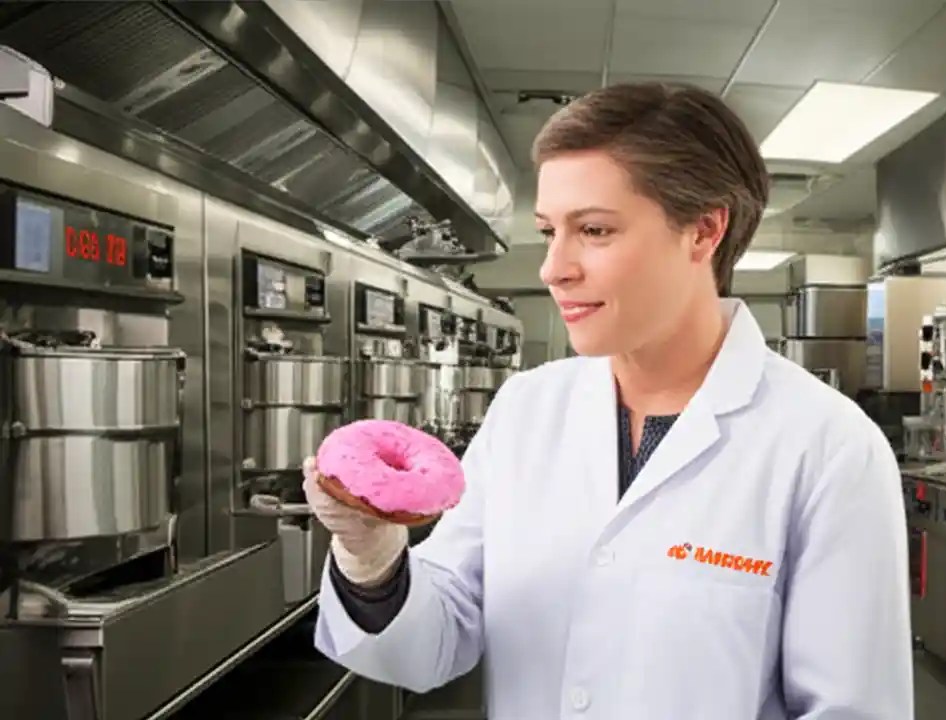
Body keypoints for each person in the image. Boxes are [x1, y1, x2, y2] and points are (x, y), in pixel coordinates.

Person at [305, 81, 913, 719]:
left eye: (593, 230)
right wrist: (371, 559)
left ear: (704, 231)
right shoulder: (525, 412)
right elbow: (439, 638)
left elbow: (852, 710)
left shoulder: (826, 446)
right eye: (548, 231)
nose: (553, 268)